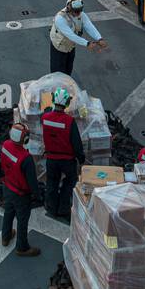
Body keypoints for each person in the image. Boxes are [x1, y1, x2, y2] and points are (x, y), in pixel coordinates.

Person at [41, 87, 86, 220]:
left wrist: (48, 110)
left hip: (51, 159)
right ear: (66, 103)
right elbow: (76, 143)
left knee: (52, 183)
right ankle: (63, 208)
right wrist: (81, 158)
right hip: (67, 160)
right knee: (70, 181)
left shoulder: (45, 118)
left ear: (54, 100)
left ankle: (51, 207)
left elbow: (47, 113)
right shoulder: (69, 121)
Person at [0, 118, 42, 255]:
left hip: (7, 186)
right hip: (20, 194)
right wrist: (37, 196)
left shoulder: (5, 145)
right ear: (24, 139)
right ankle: (22, 247)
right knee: (22, 220)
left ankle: (5, 237)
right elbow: (32, 182)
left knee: (8, 212)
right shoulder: (26, 158)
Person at [48, 0, 108, 76]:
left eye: (80, 10)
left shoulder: (80, 14)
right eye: (76, 11)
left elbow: (89, 26)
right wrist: (87, 43)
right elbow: (71, 36)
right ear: (69, 9)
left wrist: (99, 38)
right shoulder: (60, 19)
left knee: (68, 70)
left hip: (70, 47)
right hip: (59, 49)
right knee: (57, 74)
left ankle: (66, 86)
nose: (78, 13)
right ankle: (58, 88)